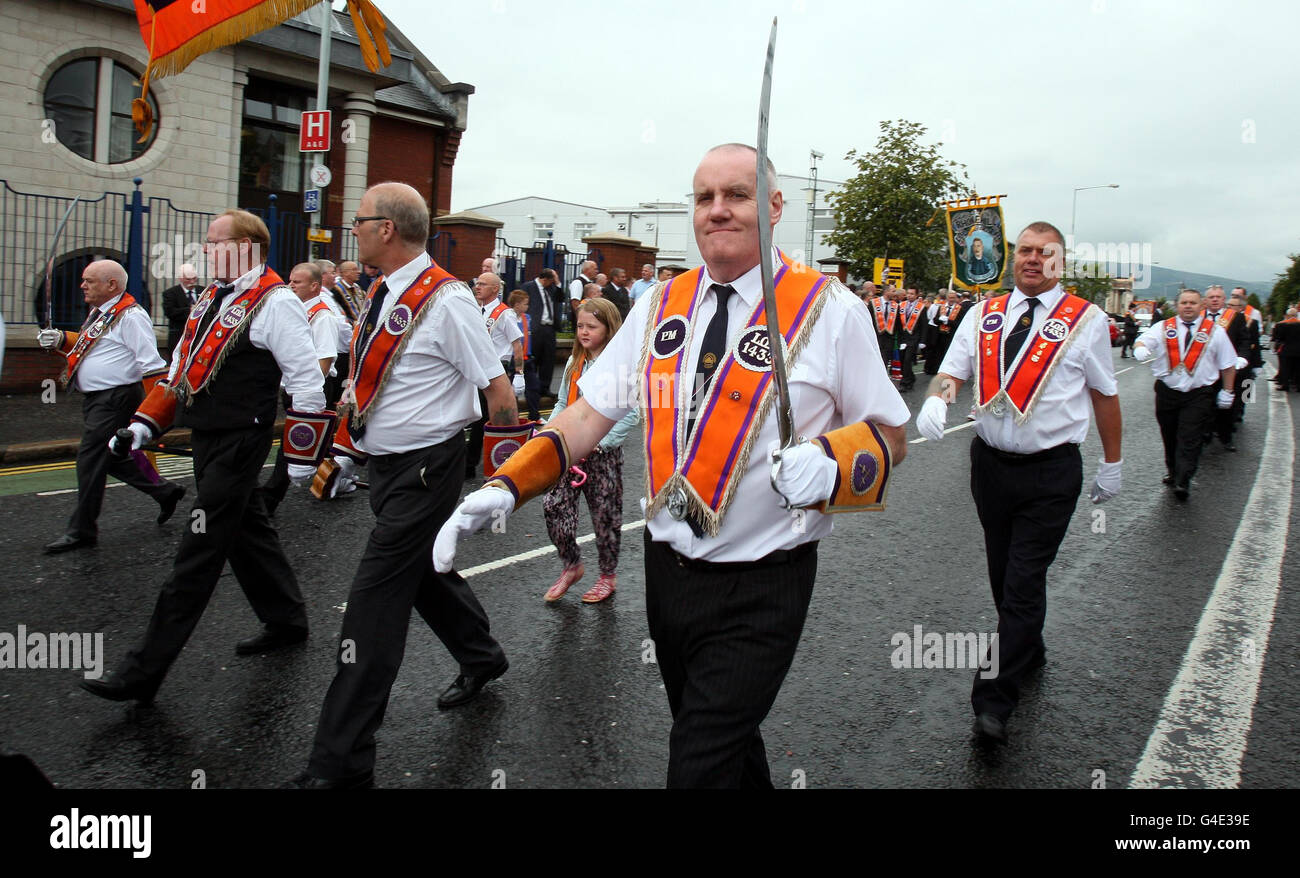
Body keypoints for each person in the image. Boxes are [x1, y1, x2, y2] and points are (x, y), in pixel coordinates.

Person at [433, 143, 910, 787]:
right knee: (721, 741)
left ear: (773, 208)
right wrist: (505, 485)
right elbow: (586, 415)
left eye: (737, 196)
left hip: (764, 583)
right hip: (668, 573)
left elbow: (890, 436)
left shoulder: (831, 311)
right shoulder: (660, 305)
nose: (718, 211)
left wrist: (829, 462)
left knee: (698, 763)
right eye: (704, 197)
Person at [287, 182, 516, 789]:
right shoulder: (383, 292)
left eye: (359, 219)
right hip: (388, 468)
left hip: (428, 469)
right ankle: (482, 655)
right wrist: (344, 451)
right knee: (423, 576)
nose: (352, 228)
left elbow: (499, 393)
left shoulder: (446, 301)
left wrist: (502, 482)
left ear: (387, 228)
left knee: (372, 610)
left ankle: (339, 765)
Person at [81, 209, 332, 704]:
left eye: (215, 241)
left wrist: (302, 455)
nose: (206, 249)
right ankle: (286, 620)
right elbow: (179, 372)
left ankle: (143, 671)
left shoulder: (276, 303)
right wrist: (141, 426)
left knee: (197, 551)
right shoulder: (210, 300)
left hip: (243, 439)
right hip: (208, 435)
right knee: (247, 531)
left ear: (246, 247)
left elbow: (306, 381)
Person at [916, 221, 1123, 746]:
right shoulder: (983, 314)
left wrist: (1112, 462)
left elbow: (1103, 393)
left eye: (1044, 253)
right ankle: (1026, 643)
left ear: (1059, 262)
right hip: (990, 465)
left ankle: (992, 703)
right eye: (1025, 251)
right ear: (1013, 258)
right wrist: (938, 397)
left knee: (1024, 580)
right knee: (1003, 576)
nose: (1033, 259)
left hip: (1051, 472)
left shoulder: (1087, 320)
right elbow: (952, 370)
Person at [37, 259, 186, 554]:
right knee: (113, 457)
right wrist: (61, 339)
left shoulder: (131, 316)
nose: (82, 285)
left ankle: (82, 531)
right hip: (98, 400)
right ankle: (166, 491)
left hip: (115, 399)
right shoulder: (103, 312)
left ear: (112, 285)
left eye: (89, 280)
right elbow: (93, 346)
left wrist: (152, 417)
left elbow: (153, 366)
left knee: (89, 461)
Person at [541, 297, 639, 604]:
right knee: (553, 507)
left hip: (602, 457)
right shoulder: (575, 362)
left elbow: (632, 412)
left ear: (609, 329)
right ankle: (572, 565)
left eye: (591, 326)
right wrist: (550, 431)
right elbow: (562, 403)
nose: (584, 332)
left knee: (605, 518)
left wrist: (602, 442)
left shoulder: (620, 364)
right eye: (580, 325)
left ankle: (607, 576)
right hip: (570, 450)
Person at [1133, 289, 1236, 500]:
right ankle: (1173, 470)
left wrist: (1228, 391)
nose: (1188, 306)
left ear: (1202, 306)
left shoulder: (1215, 332)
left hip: (1198, 394)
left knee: (1190, 436)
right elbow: (1143, 340)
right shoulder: (1163, 327)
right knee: (1169, 434)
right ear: (1177, 305)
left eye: (1193, 303)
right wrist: (1140, 348)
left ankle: (1183, 479)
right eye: (1184, 302)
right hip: (1167, 392)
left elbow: (1228, 364)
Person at [258, 262, 339, 516]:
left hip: (307, 389)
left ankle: (270, 497)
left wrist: (304, 391)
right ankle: (337, 474)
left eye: (297, 282)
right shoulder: (293, 310)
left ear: (315, 286)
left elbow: (324, 360)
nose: (290, 285)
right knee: (318, 442)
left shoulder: (322, 315)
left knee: (291, 444)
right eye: (290, 281)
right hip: (290, 386)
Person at [465, 272, 526, 479]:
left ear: (494, 289)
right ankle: (473, 462)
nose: (477, 287)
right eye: (477, 283)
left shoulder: (504, 314)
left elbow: (517, 344)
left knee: (494, 419)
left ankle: (492, 462)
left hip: (498, 371)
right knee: (477, 417)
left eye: (482, 284)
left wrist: (519, 373)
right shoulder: (476, 310)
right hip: (478, 370)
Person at [1200, 285, 1249, 451]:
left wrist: (1242, 358)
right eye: (1211, 297)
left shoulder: (1235, 317)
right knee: (1203, 405)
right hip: (1203, 369)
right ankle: (1205, 434)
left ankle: (1225, 437)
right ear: (1205, 301)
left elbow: (1244, 340)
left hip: (1226, 370)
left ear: (1224, 300)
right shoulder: (1198, 317)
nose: (1215, 299)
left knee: (1226, 406)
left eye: (1218, 297)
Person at [317, 259, 355, 410]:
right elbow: (341, 325)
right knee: (332, 401)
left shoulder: (329, 295)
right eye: (332, 273)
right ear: (322, 276)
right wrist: (352, 343)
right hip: (338, 353)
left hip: (339, 352)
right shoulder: (323, 297)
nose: (335, 276)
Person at [521, 268, 561, 400]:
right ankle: (532, 390)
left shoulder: (551, 288)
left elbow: (561, 298)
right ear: (545, 280)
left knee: (548, 360)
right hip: (535, 328)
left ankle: (545, 388)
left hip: (549, 328)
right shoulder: (528, 287)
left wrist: (558, 283)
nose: (552, 283)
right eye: (551, 281)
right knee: (534, 359)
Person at [508, 289, 541, 421]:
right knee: (510, 391)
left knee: (533, 387)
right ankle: (512, 418)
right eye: (525, 304)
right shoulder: (508, 317)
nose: (527, 307)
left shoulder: (527, 318)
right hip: (512, 360)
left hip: (527, 359)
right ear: (516, 304)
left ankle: (534, 416)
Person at [161, 263, 203, 357]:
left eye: (194, 278)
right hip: (179, 336)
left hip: (199, 337)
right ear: (180, 278)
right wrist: (190, 310)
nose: (192, 281)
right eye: (188, 279)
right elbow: (169, 312)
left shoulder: (203, 291)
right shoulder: (170, 293)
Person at [896, 287, 926, 391]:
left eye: (912, 294)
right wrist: (899, 339)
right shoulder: (902, 305)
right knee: (902, 359)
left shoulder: (921, 307)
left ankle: (905, 383)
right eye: (908, 293)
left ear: (917, 295)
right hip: (903, 338)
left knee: (908, 360)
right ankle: (911, 377)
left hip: (914, 338)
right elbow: (899, 324)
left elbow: (924, 325)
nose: (909, 295)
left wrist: (922, 341)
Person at [1273, 308, 1300, 391]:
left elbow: (1277, 338)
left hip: (1286, 349)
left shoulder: (1281, 324)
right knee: (1298, 368)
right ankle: (1298, 385)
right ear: (1296, 315)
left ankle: (1285, 385)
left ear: (1287, 315)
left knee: (1285, 368)